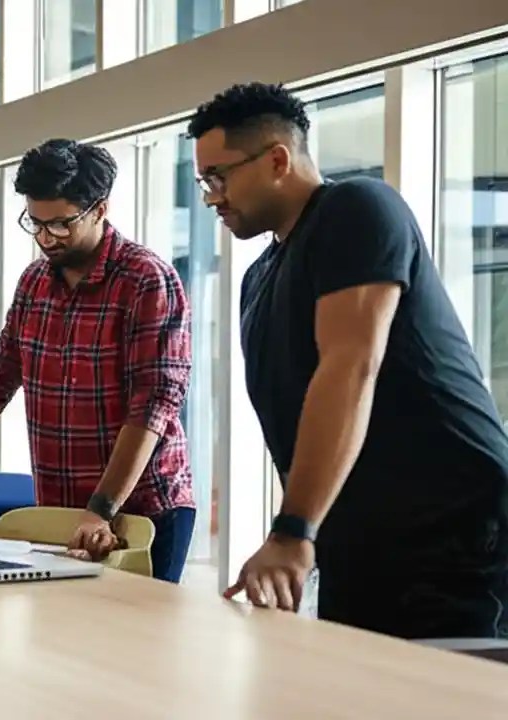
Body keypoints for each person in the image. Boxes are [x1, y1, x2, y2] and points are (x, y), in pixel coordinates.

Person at [188, 82, 508, 637]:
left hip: (451, 533)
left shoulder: (357, 208)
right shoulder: (258, 277)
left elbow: (350, 364)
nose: (211, 196)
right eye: (203, 182)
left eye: (218, 177)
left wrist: (292, 530)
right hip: (355, 538)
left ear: (278, 159)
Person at [0, 140, 196, 583]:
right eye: (35, 223)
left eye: (60, 224)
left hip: (141, 511)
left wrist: (102, 509)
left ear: (100, 209)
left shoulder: (146, 279)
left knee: (136, 648)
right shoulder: (34, 283)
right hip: (61, 512)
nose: (45, 238)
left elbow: (152, 405)